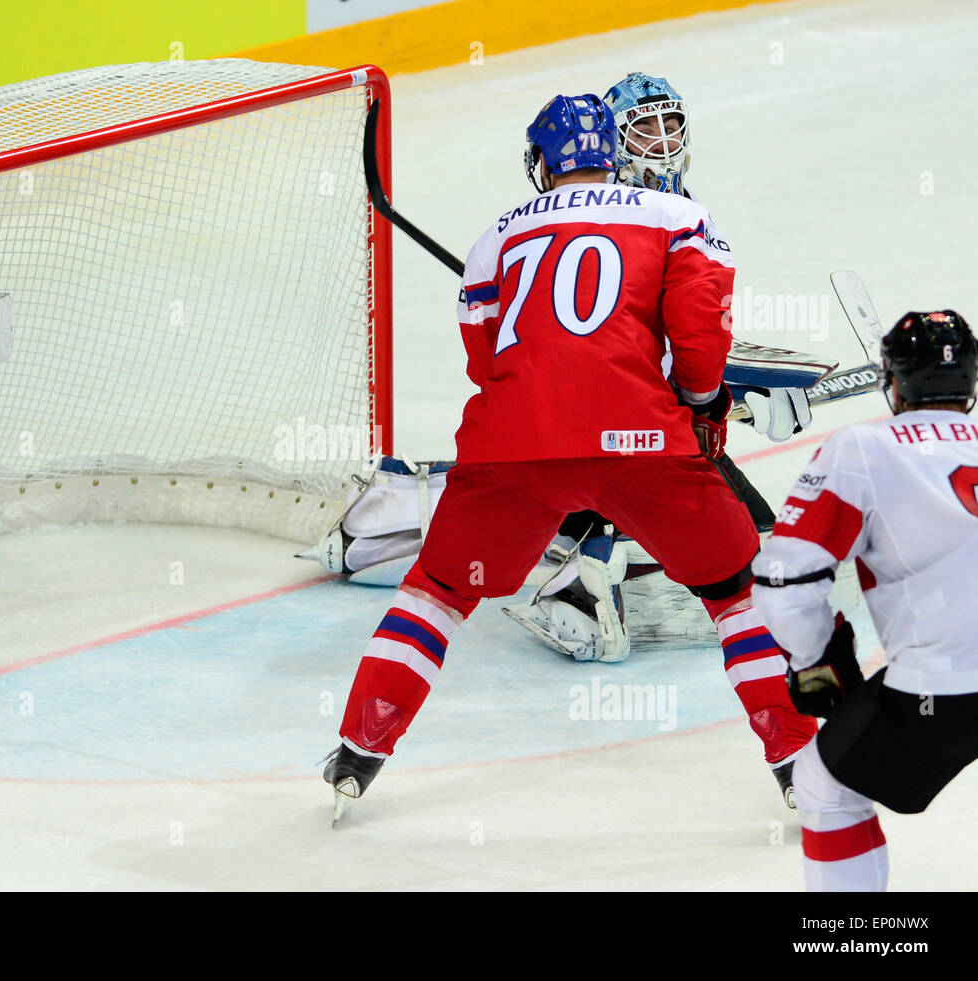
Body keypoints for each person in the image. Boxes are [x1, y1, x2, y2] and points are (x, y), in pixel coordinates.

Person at [323, 93, 815, 820]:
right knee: (734, 590)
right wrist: (703, 403)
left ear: (540, 163)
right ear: (612, 155)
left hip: (511, 451)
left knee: (438, 590)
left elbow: (484, 356)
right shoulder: (676, 216)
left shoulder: (497, 235)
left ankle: (358, 749)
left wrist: (543, 410)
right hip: (643, 446)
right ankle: (797, 762)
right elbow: (701, 330)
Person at [752, 310, 978, 890]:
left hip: (946, 684)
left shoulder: (865, 448)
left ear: (894, 382)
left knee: (826, 785)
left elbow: (786, 577)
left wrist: (814, 664)